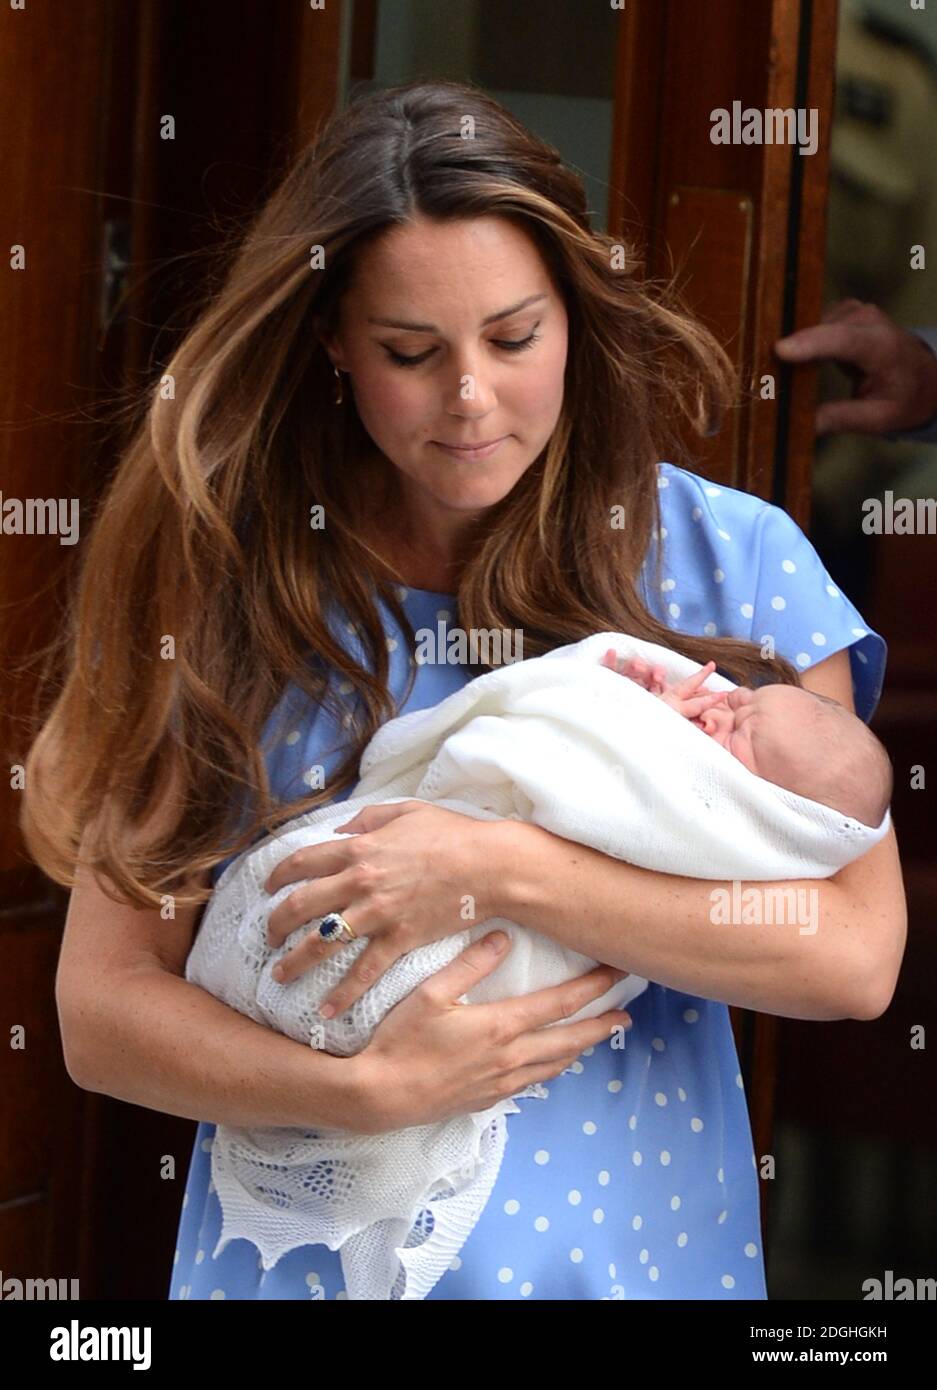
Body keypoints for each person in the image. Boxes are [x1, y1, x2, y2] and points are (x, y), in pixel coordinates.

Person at [31, 79, 906, 1302]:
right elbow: (101, 1013)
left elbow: (853, 957)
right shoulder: (222, 582)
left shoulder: (735, 557)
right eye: (408, 352)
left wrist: (496, 870)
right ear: (331, 340)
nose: (469, 399)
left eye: (513, 337)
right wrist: (358, 1090)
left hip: (629, 1262)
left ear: (574, 318)